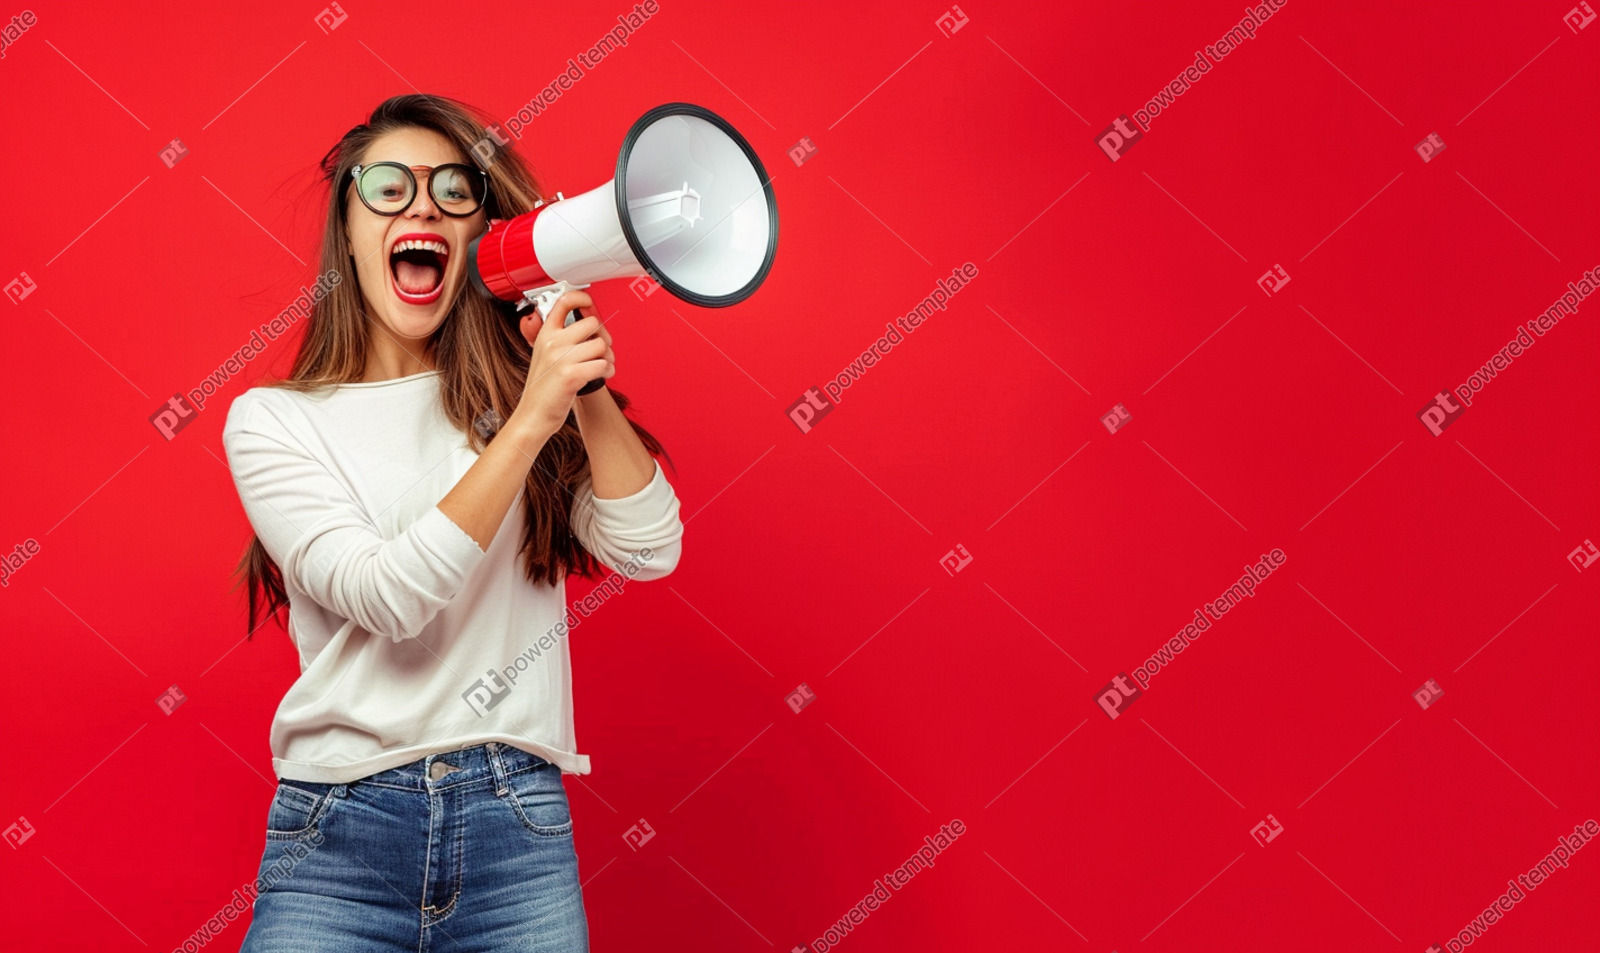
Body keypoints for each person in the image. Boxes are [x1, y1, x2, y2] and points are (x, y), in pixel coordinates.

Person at [223, 93, 684, 952]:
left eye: (454, 189)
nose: (423, 204)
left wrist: (578, 390)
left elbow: (650, 546)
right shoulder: (273, 420)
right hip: (339, 840)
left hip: (519, 828)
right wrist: (533, 416)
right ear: (349, 229)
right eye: (389, 186)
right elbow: (387, 595)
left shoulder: (518, 402)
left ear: (480, 234)